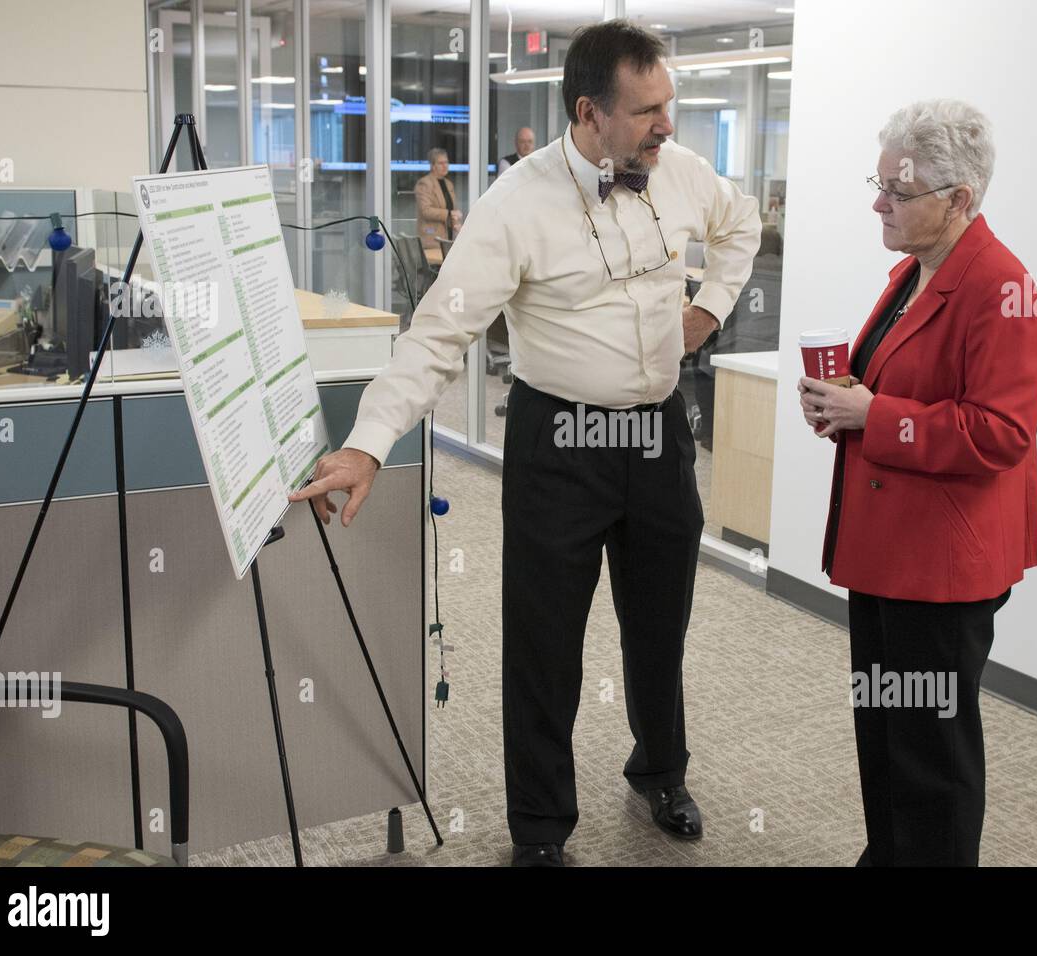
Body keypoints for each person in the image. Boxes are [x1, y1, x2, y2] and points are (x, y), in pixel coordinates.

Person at [290, 20, 760, 867]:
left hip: (657, 437)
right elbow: (439, 333)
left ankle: (659, 770)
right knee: (545, 644)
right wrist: (367, 442)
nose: (667, 126)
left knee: (661, 625)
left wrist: (710, 310)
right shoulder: (515, 204)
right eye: (647, 110)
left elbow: (742, 225)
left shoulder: (682, 174)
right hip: (560, 445)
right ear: (589, 112)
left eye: (669, 105)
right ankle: (541, 830)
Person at [799, 99, 1037, 866]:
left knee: (931, 757)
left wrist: (876, 418)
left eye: (897, 192)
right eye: (877, 185)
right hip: (887, 553)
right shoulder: (916, 270)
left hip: (941, 567)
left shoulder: (1006, 290)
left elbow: (1000, 435)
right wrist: (848, 406)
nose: (879, 203)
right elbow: (903, 389)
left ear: (959, 200)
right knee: (883, 731)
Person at [415, 147, 462, 252]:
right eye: (441, 163)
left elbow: (451, 211)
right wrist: (449, 213)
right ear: (432, 166)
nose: (445, 166)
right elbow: (425, 211)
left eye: (446, 162)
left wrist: (455, 223)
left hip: (448, 239)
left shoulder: (448, 184)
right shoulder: (425, 183)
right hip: (431, 240)